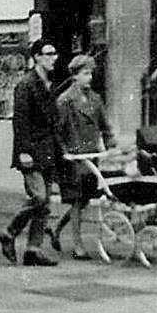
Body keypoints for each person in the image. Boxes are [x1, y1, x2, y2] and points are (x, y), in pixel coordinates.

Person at [0, 38, 63, 266]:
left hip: (48, 151)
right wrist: (24, 151)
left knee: (44, 206)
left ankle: (33, 249)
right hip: (31, 152)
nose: (54, 58)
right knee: (39, 197)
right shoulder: (26, 84)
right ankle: (9, 232)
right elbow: (21, 121)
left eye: (55, 53)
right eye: (49, 53)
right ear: (36, 57)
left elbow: (53, 121)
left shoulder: (49, 85)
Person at [49, 54, 114, 259]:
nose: (90, 78)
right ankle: (78, 245)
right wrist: (64, 152)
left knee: (84, 200)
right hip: (73, 157)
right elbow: (57, 131)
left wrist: (111, 145)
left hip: (91, 156)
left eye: (91, 73)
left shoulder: (95, 98)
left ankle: (57, 228)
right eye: (86, 74)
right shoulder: (65, 100)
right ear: (75, 76)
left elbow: (105, 126)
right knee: (77, 201)